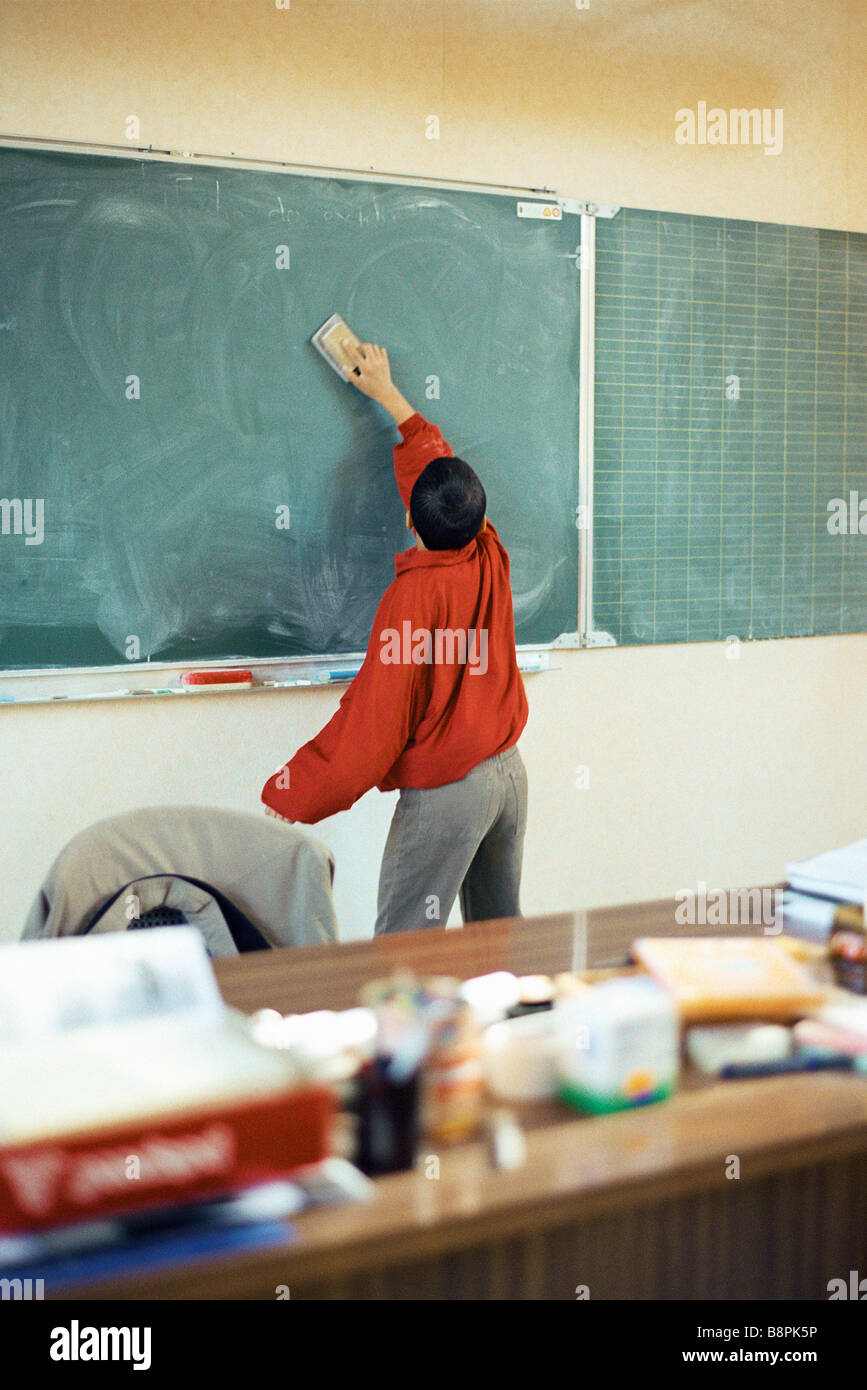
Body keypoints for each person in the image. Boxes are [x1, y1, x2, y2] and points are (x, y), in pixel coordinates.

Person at [261, 340, 528, 933]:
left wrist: (293, 790)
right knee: (500, 935)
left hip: (452, 794)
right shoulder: (491, 551)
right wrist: (387, 393)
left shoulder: (412, 599)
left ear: (411, 519)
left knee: (403, 943)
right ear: (480, 517)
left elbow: (374, 722)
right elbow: (441, 469)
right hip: (508, 776)